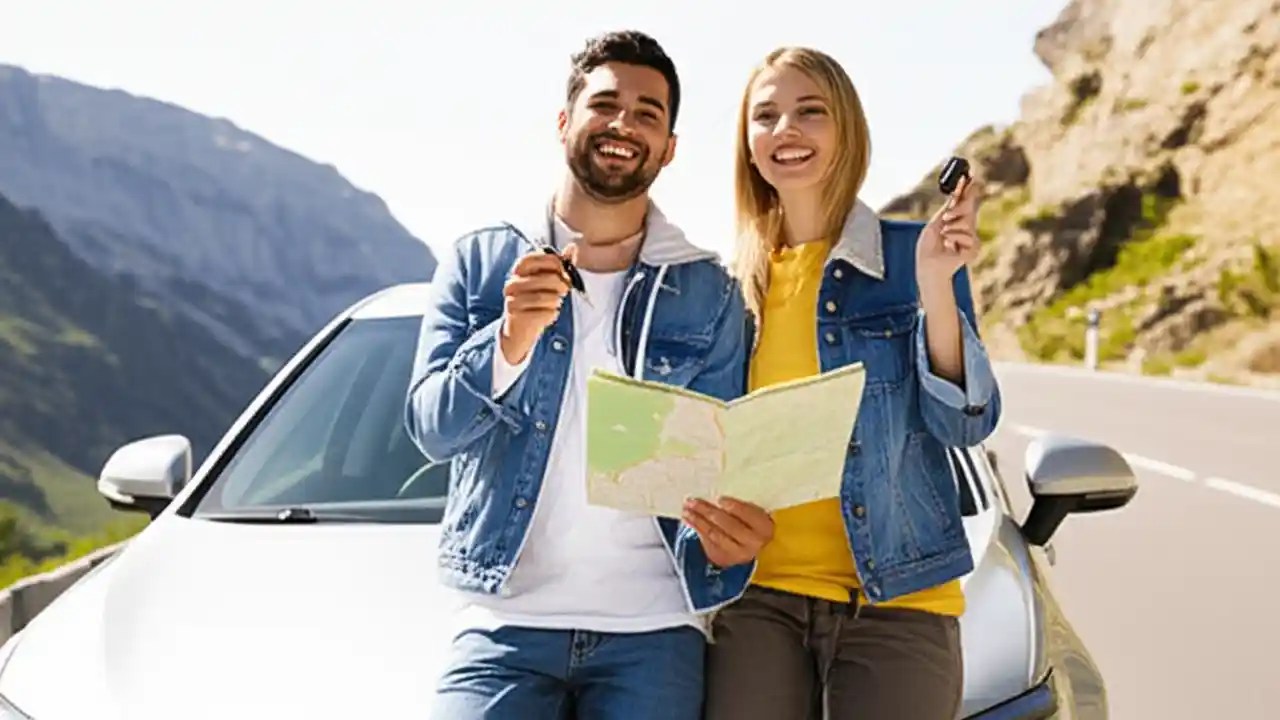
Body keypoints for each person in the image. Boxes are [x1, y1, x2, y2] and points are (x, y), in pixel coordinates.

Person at [403, 30, 774, 720]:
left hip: (655, 628)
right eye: (605, 104)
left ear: (668, 147)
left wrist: (733, 544)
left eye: (647, 113)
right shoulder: (479, 264)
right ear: (565, 120)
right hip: (502, 619)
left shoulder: (710, 291)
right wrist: (509, 341)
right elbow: (432, 430)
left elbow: (720, 468)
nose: (623, 124)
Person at [695, 46, 1003, 719]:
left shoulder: (913, 258)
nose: (786, 131)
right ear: (748, 147)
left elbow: (966, 423)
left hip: (899, 596)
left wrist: (934, 289)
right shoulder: (724, 289)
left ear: (848, 130)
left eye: (811, 111)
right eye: (766, 117)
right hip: (760, 598)